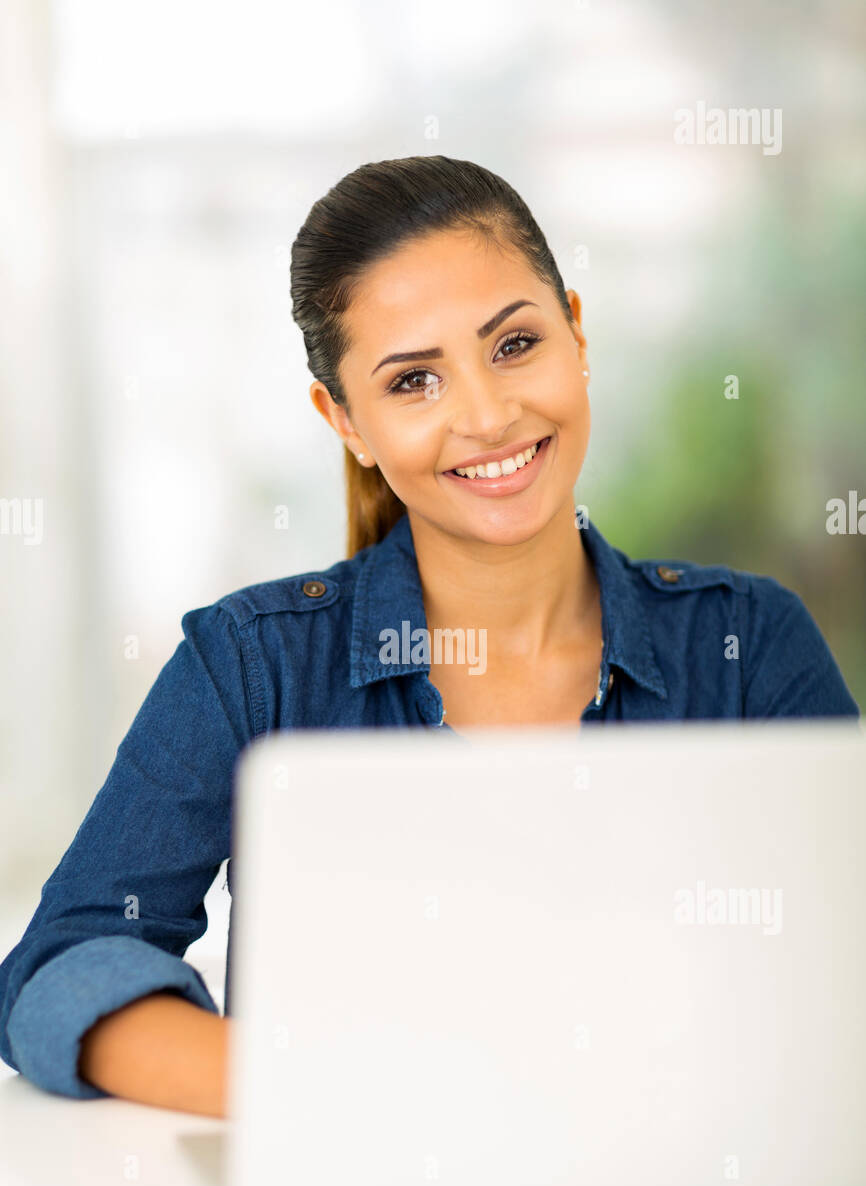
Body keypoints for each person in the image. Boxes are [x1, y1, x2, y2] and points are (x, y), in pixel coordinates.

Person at [0, 156, 858, 1120]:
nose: (488, 417)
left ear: (577, 332)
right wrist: (328, 1093)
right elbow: (59, 966)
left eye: (515, 344)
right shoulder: (254, 665)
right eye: (413, 381)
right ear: (346, 421)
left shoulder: (748, 645)